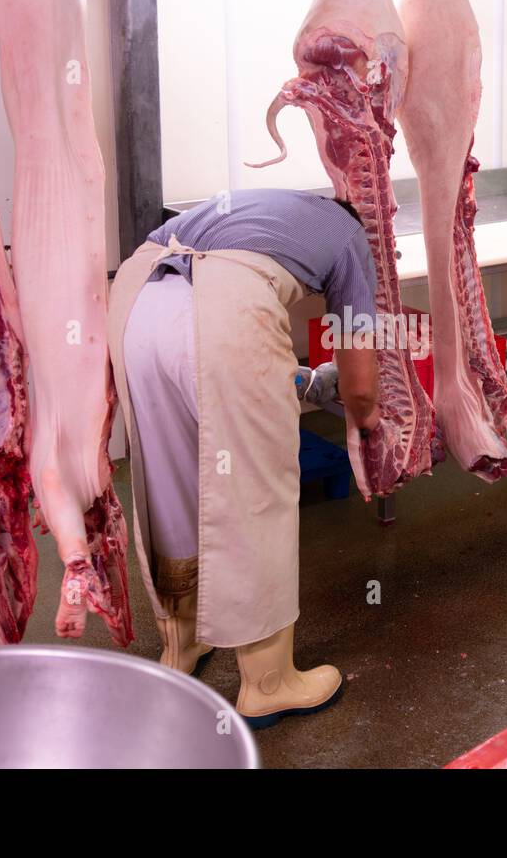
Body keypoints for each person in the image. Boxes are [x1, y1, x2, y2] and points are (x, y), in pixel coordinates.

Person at [106, 188, 379, 728]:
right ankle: (268, 683)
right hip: (227, 310)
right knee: (257, 489)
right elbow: (361, 381)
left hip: (135, 299)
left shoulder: (267, 208)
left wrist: (296, 384)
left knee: (168, 483)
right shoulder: (351, 238)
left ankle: (178, 648)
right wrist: (368, 419)